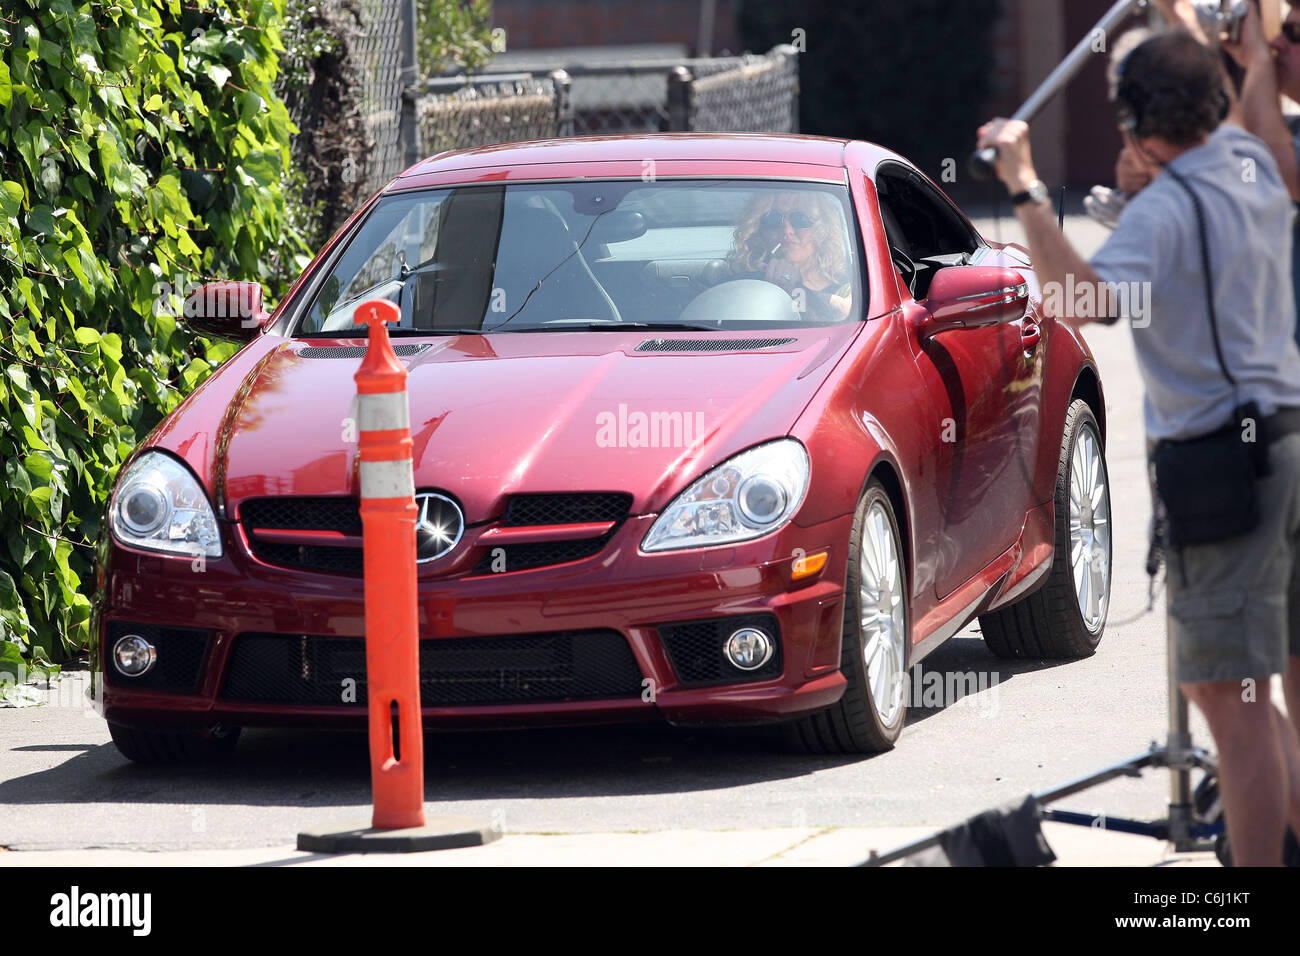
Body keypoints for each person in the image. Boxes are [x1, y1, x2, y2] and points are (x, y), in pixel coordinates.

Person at [977, 27, 1300, 865]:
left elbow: (1081, 301)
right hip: (1287, 442)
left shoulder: (1161, 213)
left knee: (1229, 702)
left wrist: (1024, 192)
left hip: (1227, 469)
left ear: (1130, 126)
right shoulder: (1249, 165)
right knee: (1273, 686)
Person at [727, 191, 853, 321]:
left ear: (824, 228)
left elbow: (847, 315)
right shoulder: (744, 283)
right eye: (773, 220)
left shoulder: (851, 282)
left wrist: (796, 290)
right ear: (759, 229)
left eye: (801, 219)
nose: (787, 230)